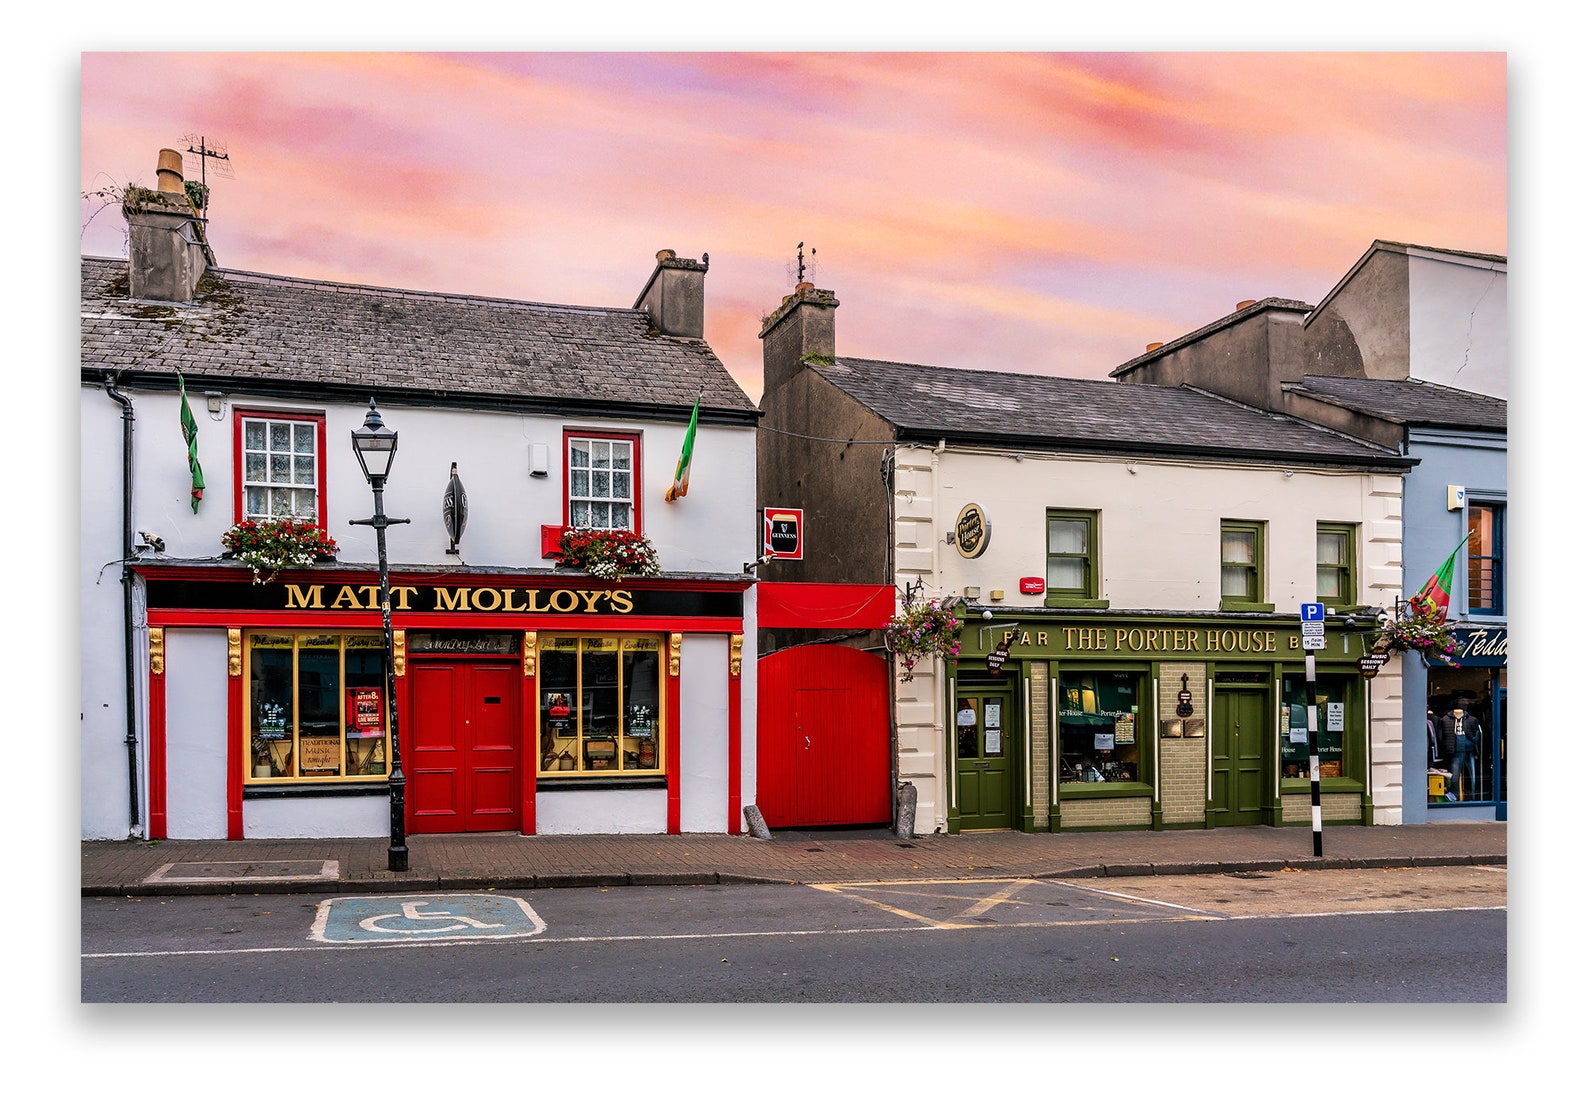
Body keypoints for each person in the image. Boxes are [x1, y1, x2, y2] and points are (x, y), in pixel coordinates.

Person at [1441, 707, 1483, 802]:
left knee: (1472, 776)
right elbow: (1441, 737)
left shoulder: (1472, 720)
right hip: (1455, 752)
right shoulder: (1445, 720)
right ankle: (1455, 799)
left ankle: (1473, 797)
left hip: (1469, 751)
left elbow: (1477, 734)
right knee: (1454, 777)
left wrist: (1474, 743)